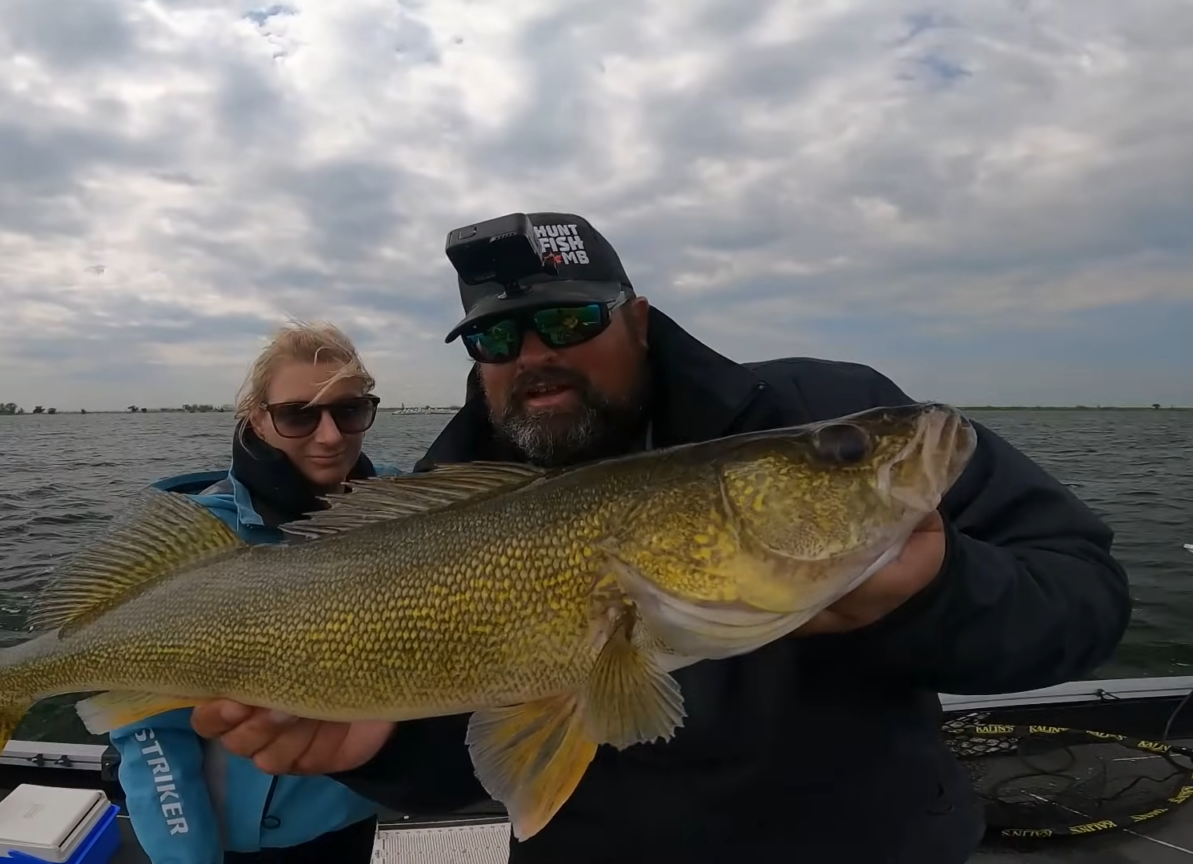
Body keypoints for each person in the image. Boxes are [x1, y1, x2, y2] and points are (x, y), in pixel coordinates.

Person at [184, 213, 1133, 863]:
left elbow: (1084, 597)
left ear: (636, 317)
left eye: (569, 318)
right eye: (497, 338)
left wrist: (933, 594)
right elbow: (479, 754)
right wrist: (379, 753)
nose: (535, 355)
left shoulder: (832, 410)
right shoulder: (445, 501)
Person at [110, 320, 391, 864]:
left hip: (353, 817)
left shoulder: (406, 510)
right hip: (237, 843)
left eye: (349, 410)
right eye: (297, 415)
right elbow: (149, 733)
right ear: (257, 418)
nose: (330, 435)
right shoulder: (198, 539)